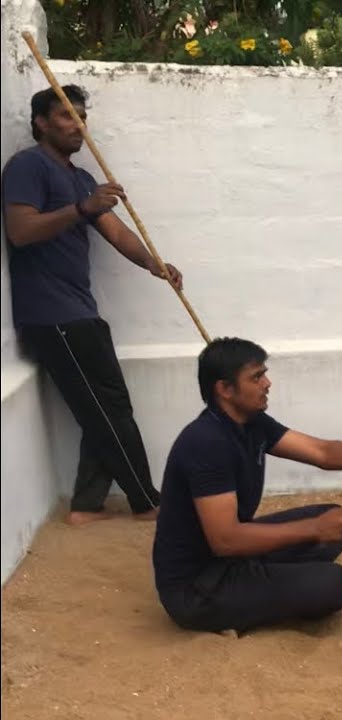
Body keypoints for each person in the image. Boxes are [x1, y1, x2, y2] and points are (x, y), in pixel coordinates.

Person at [151, 337, 342, 635]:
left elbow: (323, 452)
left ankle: (262, 586)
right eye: (256, 377)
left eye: (264, 373)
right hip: (197, 588)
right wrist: (313, 528)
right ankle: (242, 601)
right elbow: (226, 540)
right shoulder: (206, 443)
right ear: (225, 389)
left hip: (229, 556)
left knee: (333, 525)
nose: (267, 383)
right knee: (334, 584)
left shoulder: (252, 422)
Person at [2, 85, 183, 525]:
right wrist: (82, 208)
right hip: (52, 316)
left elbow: (117, 234)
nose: (78, 124)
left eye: (81, 116)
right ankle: (146, 501)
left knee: (101, 408)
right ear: (41, 122)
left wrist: (155, 264)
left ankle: (86, 506)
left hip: (79, 311)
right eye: (66, 116)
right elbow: (21, 231)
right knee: (111, 407)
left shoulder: (82, 179)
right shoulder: (27, 166)